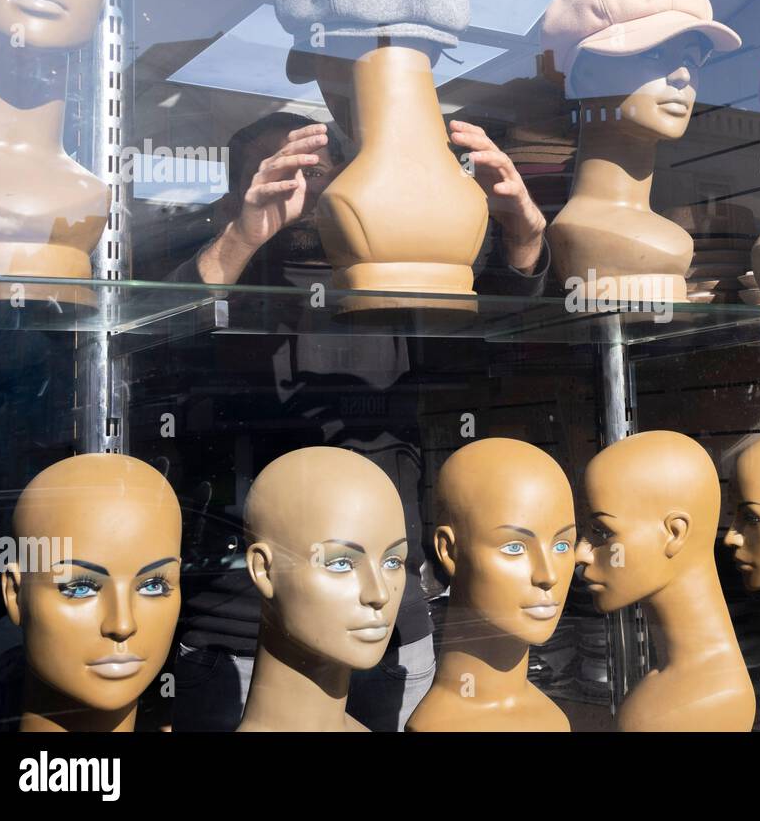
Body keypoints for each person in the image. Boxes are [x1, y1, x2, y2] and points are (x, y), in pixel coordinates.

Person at [161, 110, 549, 731]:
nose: (305, 186)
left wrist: (522, 238)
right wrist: (241, 238)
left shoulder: (389, 277)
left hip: (392, 614)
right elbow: (157, 341)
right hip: (241, 625)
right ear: (235, 195)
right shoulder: (226, 272)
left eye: (321, 168)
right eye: (280, 171)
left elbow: (481, 347)